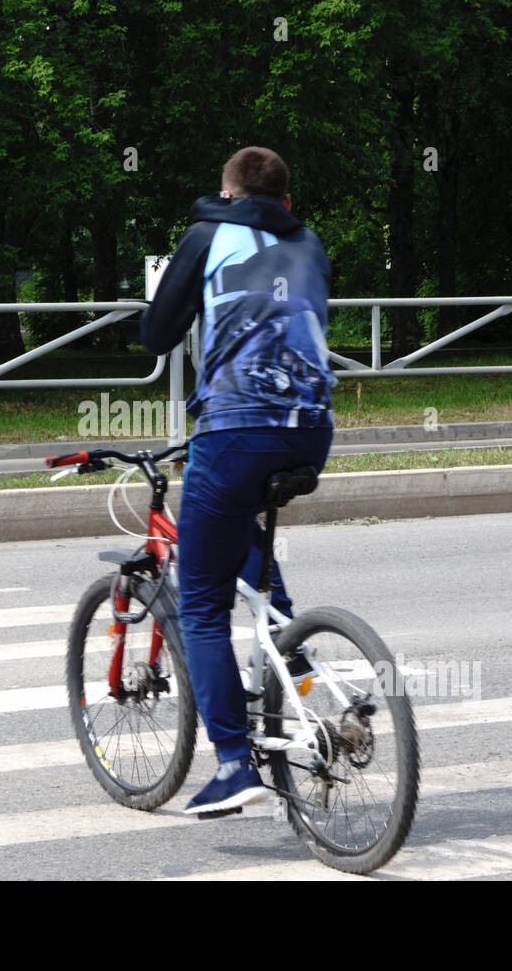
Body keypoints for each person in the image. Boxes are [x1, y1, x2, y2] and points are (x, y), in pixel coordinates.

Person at [140, 146, 336, 815]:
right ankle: (295, 660)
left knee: (199, 601)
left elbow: (156, 333)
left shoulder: (206, 235)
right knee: (241, 526)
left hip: (235, 427)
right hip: (312, 426)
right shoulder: (309, 241)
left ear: (228, 194)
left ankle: (231, 762)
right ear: (283, 197)